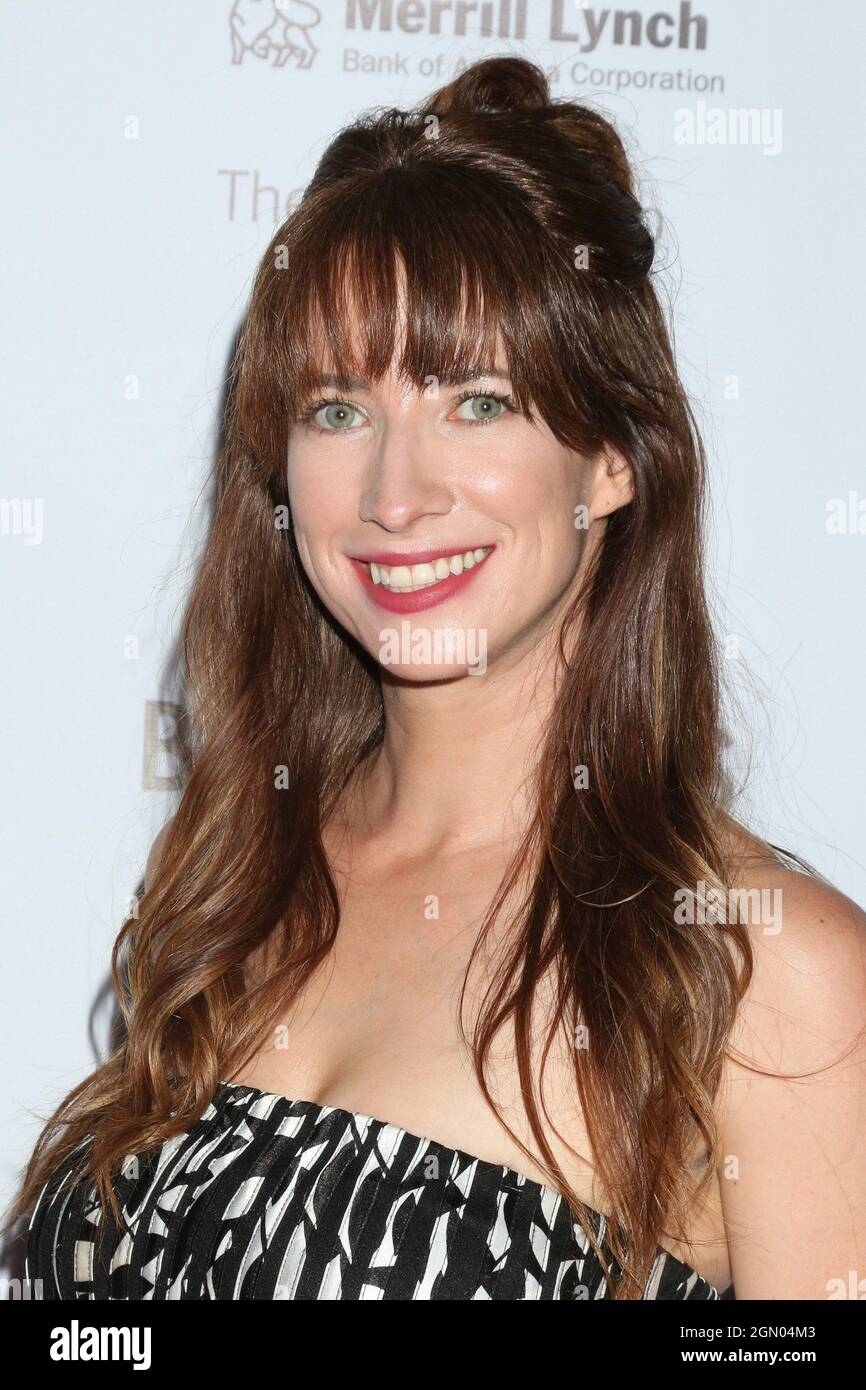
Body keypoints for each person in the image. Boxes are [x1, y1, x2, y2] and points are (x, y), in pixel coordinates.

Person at [9, 56, 866, 1302]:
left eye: (477, 401)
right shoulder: (237, 862)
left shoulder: (759, 973)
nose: (394, 498)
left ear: (615, 461)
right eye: (338, 410)